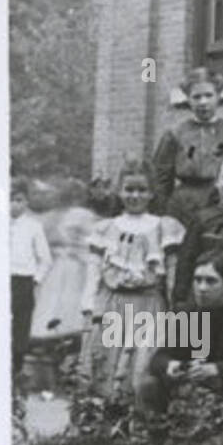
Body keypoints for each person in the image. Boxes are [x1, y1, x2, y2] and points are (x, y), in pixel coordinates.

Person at [78, 159, 184, 398]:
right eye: (129, 189)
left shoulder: (163, 227)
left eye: (141, 190)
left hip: (150, 307)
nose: (134, 196)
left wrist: (175, 307)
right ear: (119, 191)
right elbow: (94, 271)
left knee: (141, 366)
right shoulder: (106, 228)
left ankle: (139, 423)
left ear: (152, 193)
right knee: (107, 363)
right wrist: (88, 306)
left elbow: (172, 273)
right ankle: (105, 420)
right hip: (113, 306)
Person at [137, 250, 223, 413]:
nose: (202, 288)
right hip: (190, 387)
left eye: (210, 281)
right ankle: (151, 433)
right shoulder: (184, 312)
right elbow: (159, 358)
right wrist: (173, 366)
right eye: (197, 280)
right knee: (148, 384)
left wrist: (215, 369)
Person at [151, 67, 223, 225]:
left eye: (208, 95)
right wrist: (162, 215)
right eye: (197, 97)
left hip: (219, 202)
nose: (203, 102)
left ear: (218, 96)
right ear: (188, 99)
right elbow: (161, 180)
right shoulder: (175, 134)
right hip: (183, 206)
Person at [172, 152, 223, 305]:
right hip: (204, 300)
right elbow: (186, 262)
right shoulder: (201, 219)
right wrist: (180, 300)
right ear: (217, 182)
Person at [32, 177, 94, 340]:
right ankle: (64, 331)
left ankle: (64, 331)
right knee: (63, 296)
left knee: (63, 296)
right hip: (71, 262)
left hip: (71, 262)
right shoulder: (79, 215)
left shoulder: (73, 215)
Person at [9, 177, 52, 375]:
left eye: (19, 200)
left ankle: (16, 369)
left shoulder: (33, 226)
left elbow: (45, 258)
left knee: (21, 326)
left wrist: (36, 280)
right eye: (10, 199)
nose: (14, 205)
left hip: (23, 281)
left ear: (26, 202)